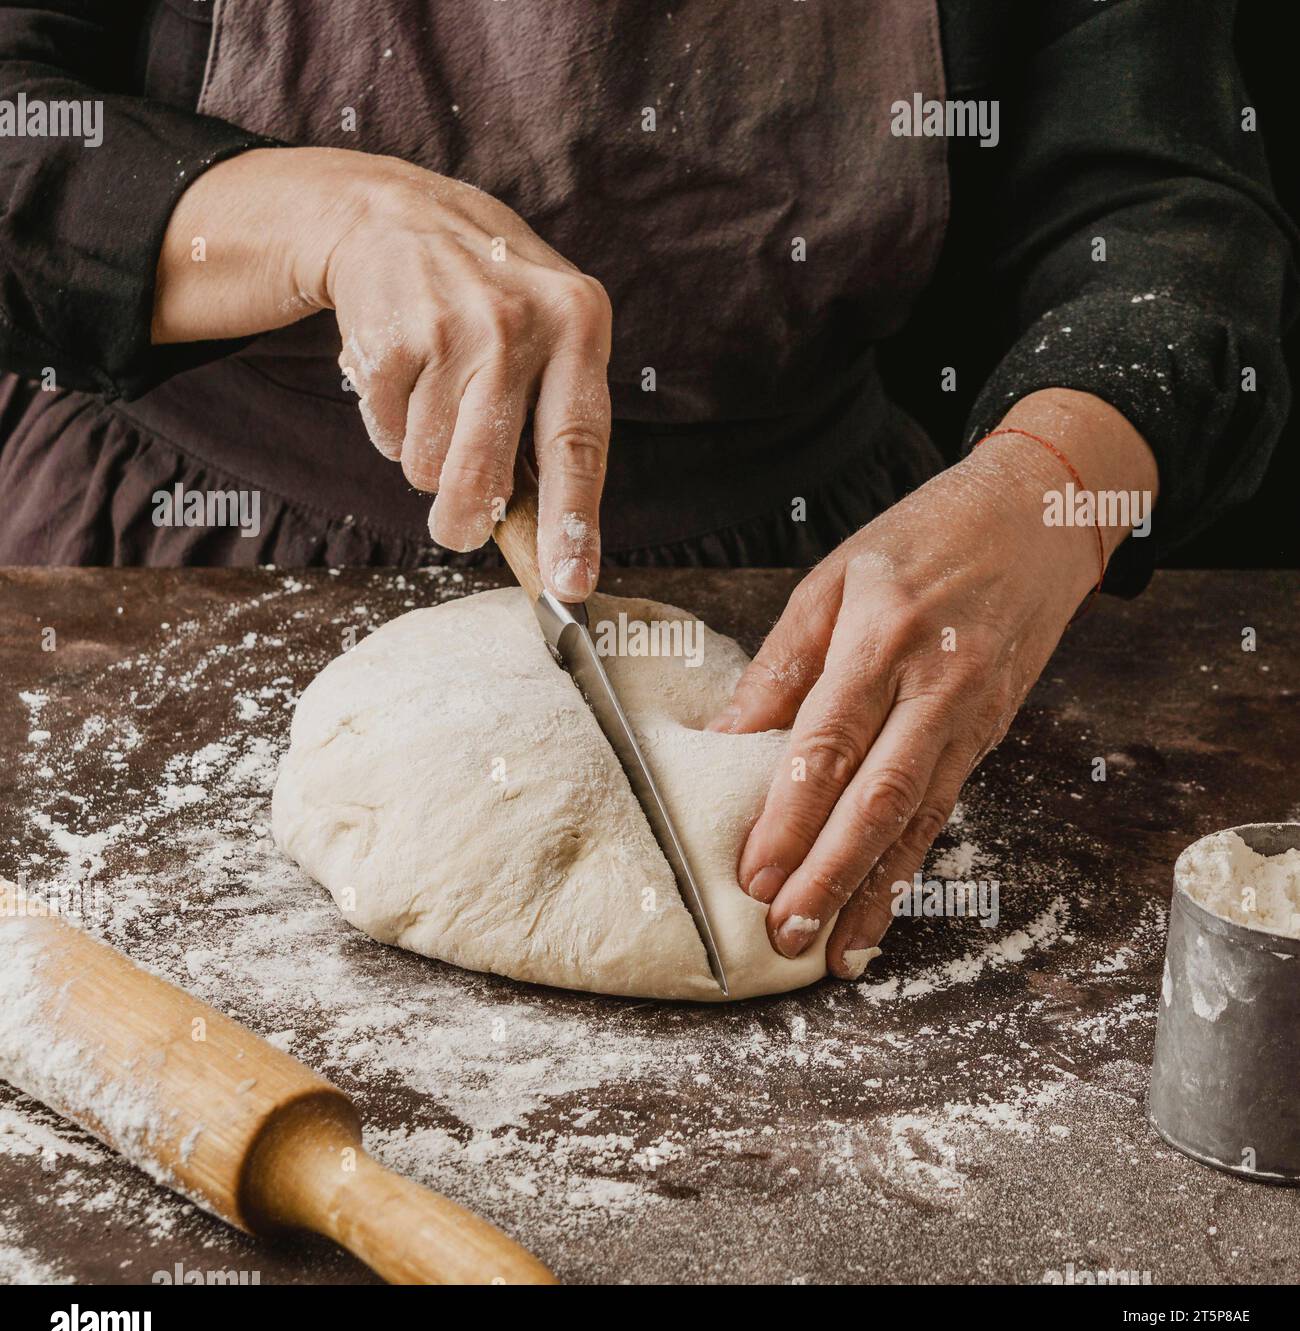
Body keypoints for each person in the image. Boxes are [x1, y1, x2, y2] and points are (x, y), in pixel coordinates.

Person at [1, 1, 1293, 976]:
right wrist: (320, 213)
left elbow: (1169, 215)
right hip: (172, 539)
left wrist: (1051, 486)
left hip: (813, 604)